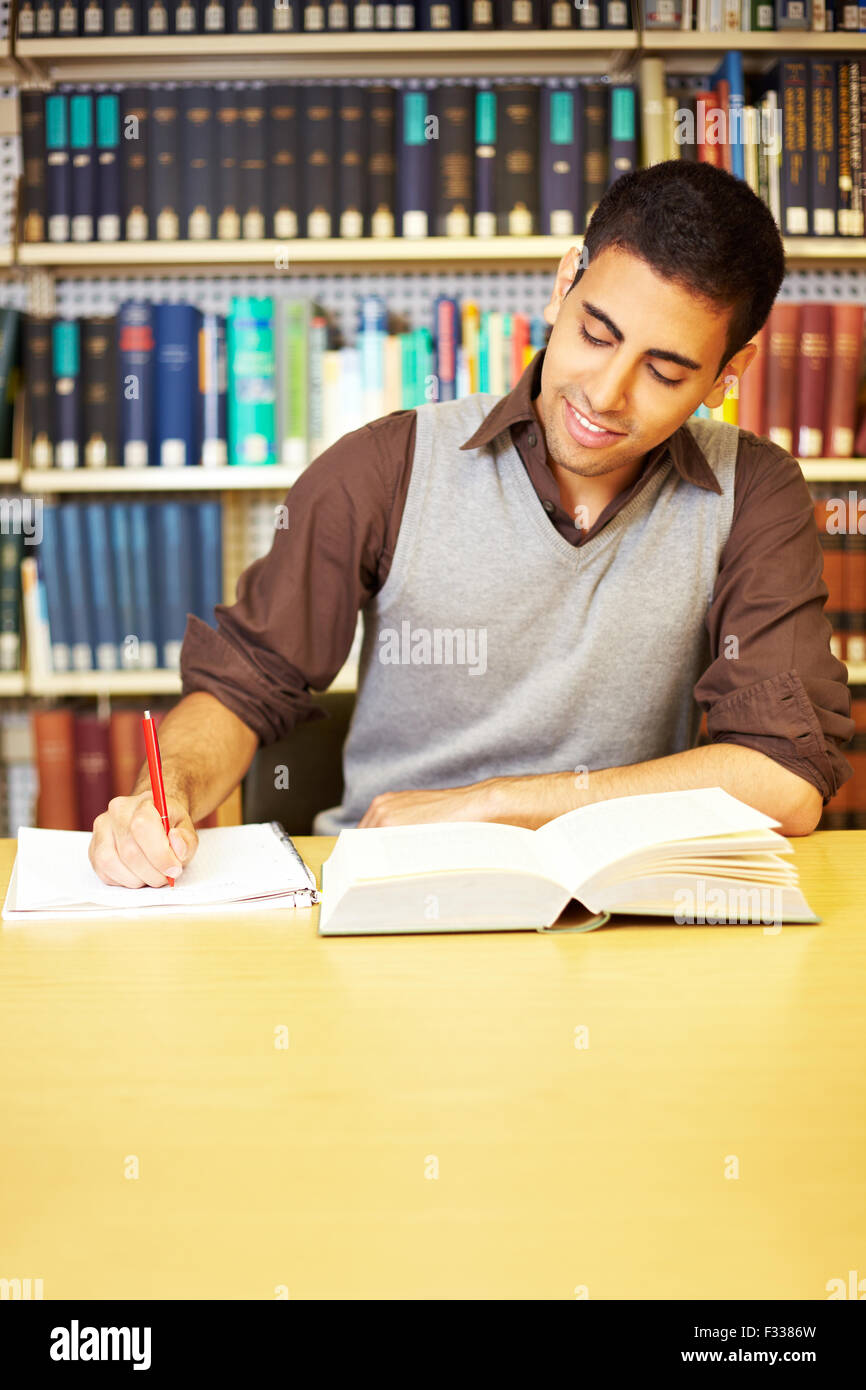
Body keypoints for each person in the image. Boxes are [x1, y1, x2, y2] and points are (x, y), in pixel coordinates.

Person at [89, 159, 854, 888]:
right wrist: (170, 798)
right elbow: (243, 686)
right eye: (595, 332)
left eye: (664, 371)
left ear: (728, 376)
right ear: (564, 286)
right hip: (390, 896)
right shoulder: (385, 466)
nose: (606, 394)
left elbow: (784, 780)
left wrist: (494, 805)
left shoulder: (754, 488)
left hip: (618, 913)